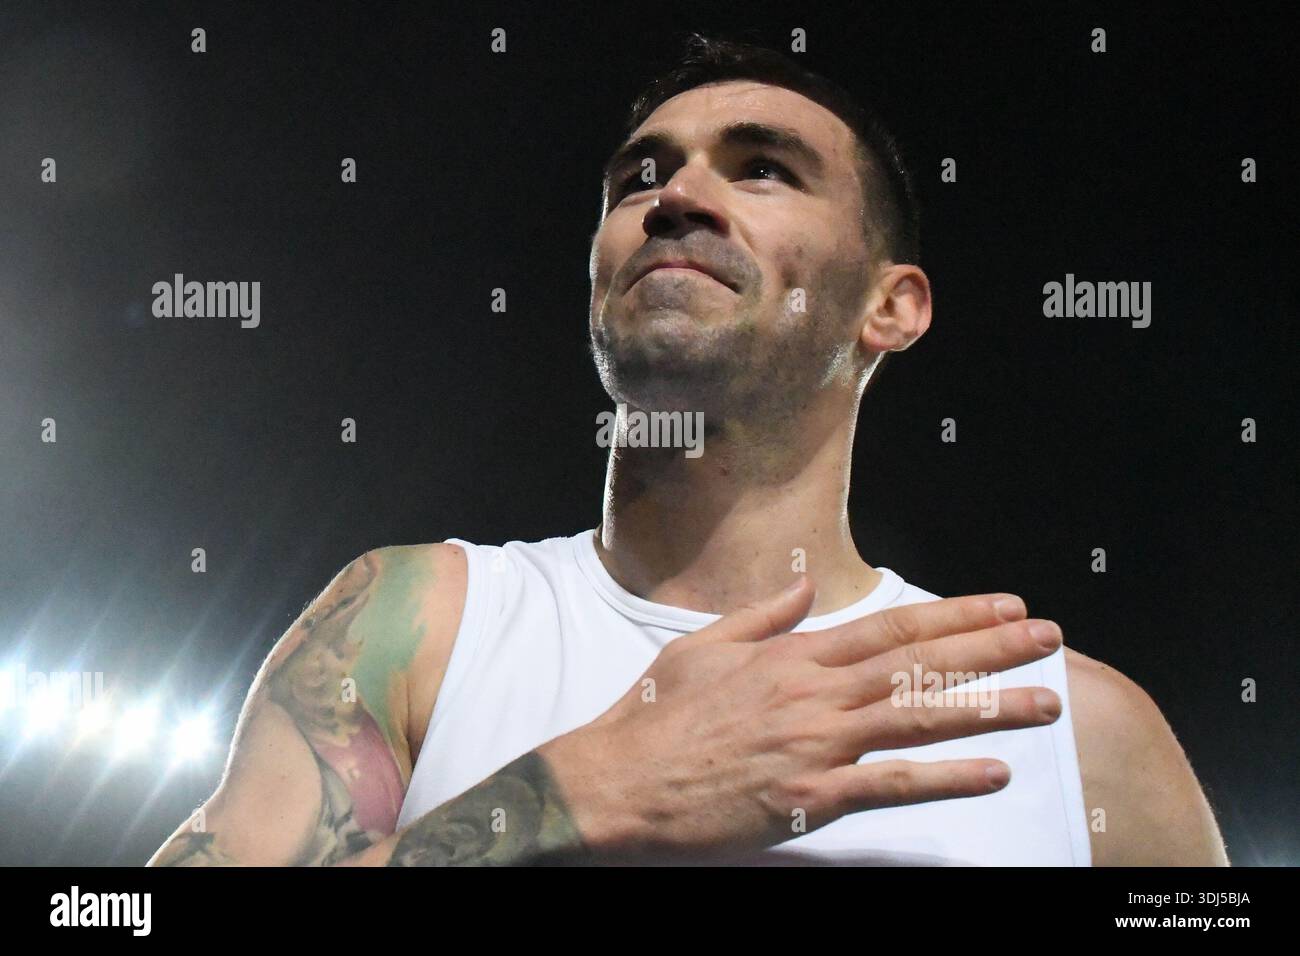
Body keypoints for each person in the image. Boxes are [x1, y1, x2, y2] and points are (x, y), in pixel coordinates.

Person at [148, 35, 1227, 867]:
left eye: (762, 170)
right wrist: (575, 798)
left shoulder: (1075, 727)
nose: (674, 198)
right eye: (638, 179)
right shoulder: (414, 618)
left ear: (890, 306)